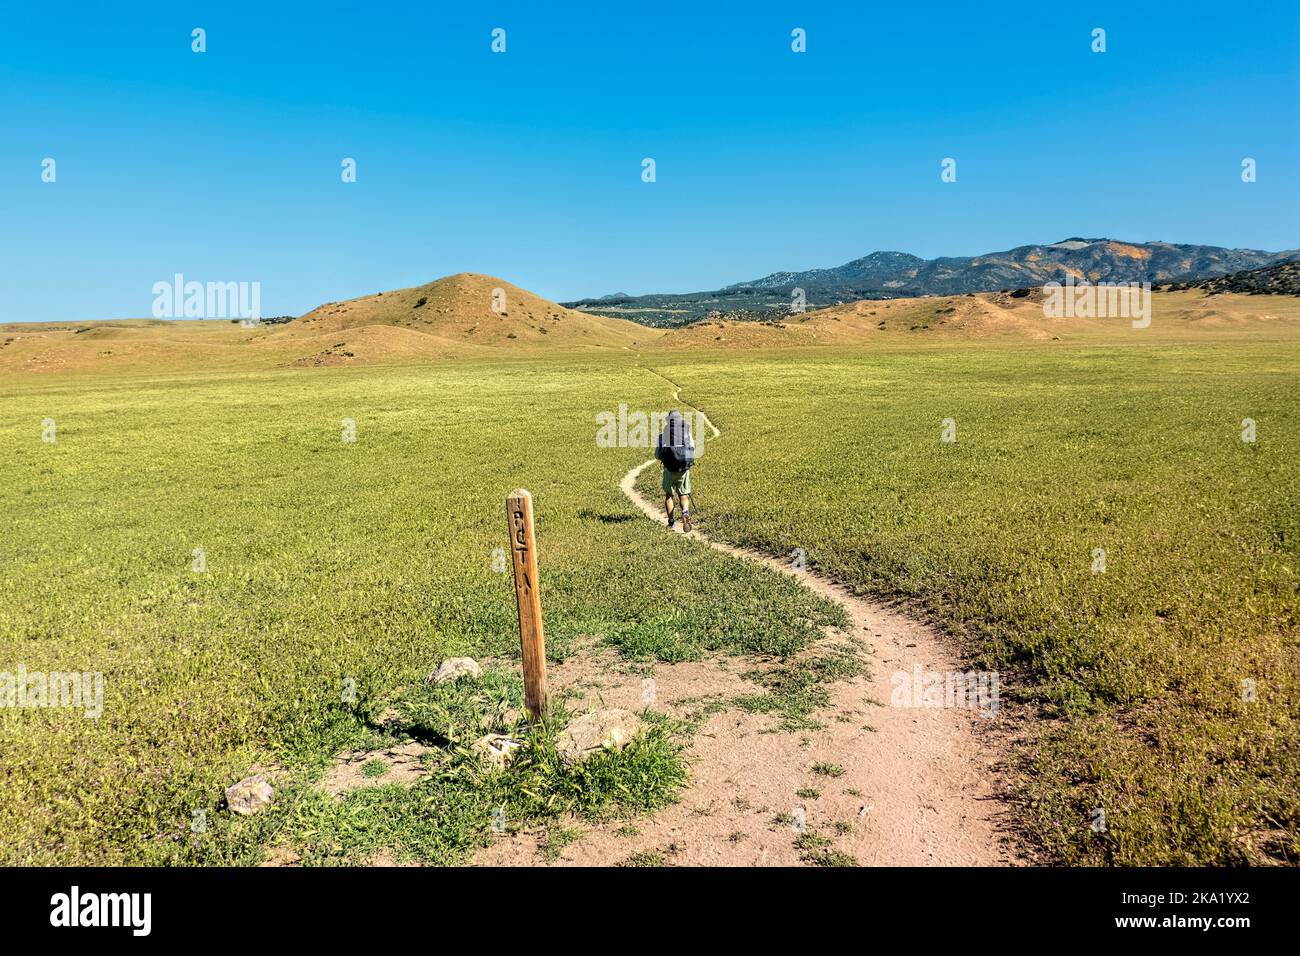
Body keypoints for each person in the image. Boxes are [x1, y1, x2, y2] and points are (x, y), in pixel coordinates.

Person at [654, 409, 696, 531]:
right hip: (683, 469)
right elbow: (692, 448)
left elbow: (657, 455)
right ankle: (685, 512)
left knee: (669, 495)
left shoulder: (663, 435)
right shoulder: (687, 433)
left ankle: (671, 522)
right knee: (683, 494)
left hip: (669, 470)